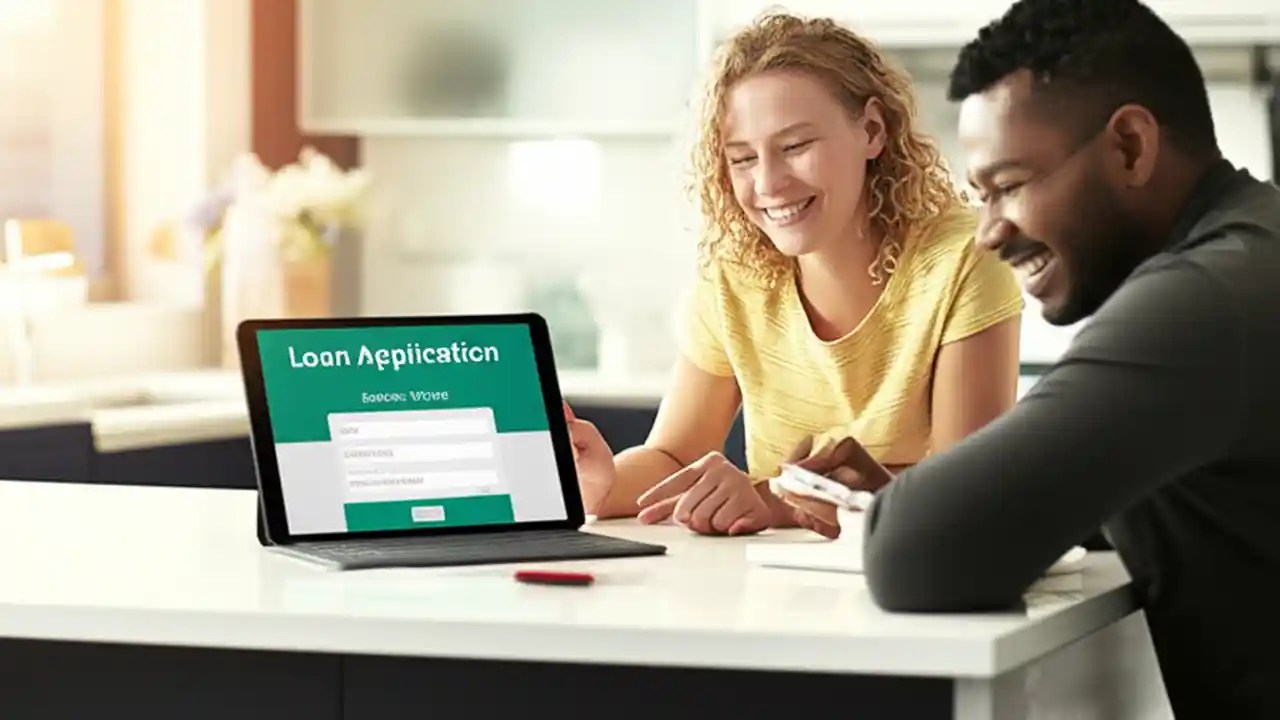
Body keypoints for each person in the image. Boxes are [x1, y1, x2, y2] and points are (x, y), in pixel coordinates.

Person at [784, 0, 1280, 715]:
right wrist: (911, 488)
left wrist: (914, 508)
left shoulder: (1204, 299)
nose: (988, 232)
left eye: (1011, 185)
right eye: (979, 195)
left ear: (1131, 146)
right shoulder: (1251, 254)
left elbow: (916, 558)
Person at [566, 12, 1025, 537]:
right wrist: (601, 485)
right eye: (741, 158)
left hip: (916, 576)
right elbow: (673, 457)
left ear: (872, 130)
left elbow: (963, 484)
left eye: (795, 147)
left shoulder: (963, 258)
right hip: (777, 588)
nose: (770, 183)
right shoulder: (735, 277)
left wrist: (773, 501)